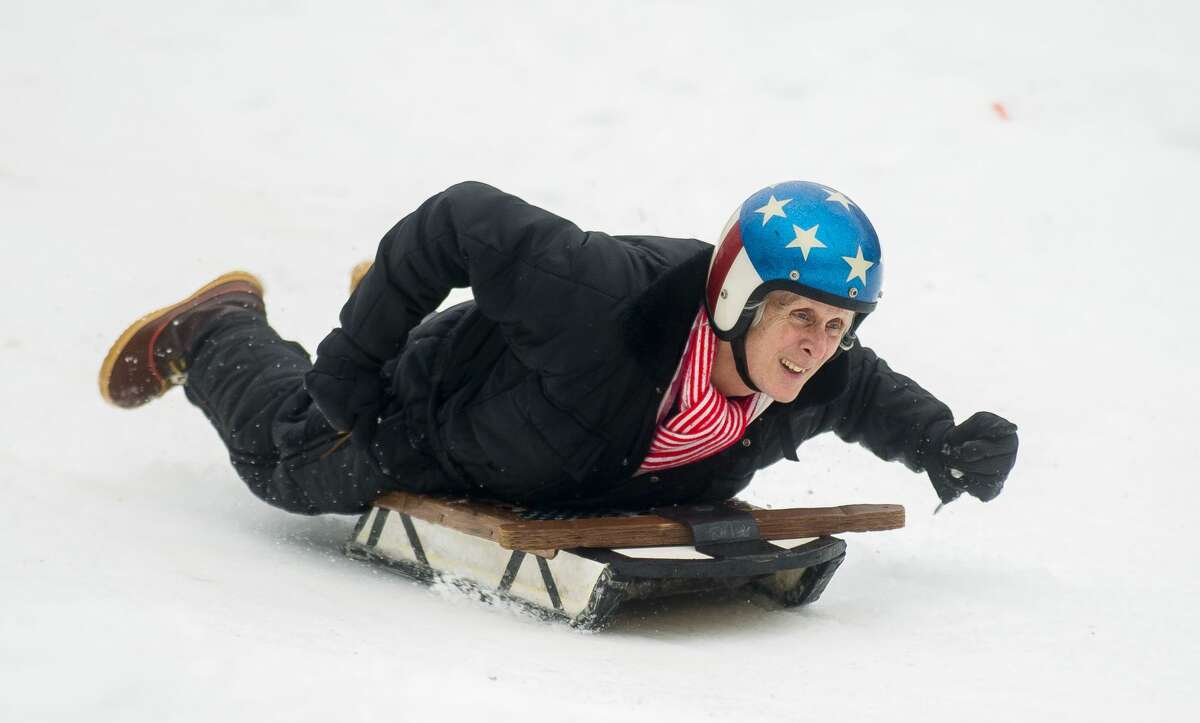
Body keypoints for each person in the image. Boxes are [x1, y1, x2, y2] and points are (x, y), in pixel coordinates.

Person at [98, 180, 1018, 515]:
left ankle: (395, 321)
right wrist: (355, 366)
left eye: (838, 326)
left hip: (542, 451)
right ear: (738, 297)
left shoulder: (813, 374)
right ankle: (218, 326)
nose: (819, 348)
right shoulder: (602, 302)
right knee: (287, 466)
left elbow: (868, 396)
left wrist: (944, 442)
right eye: (800, 319)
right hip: (438, 411)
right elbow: (458, 220)